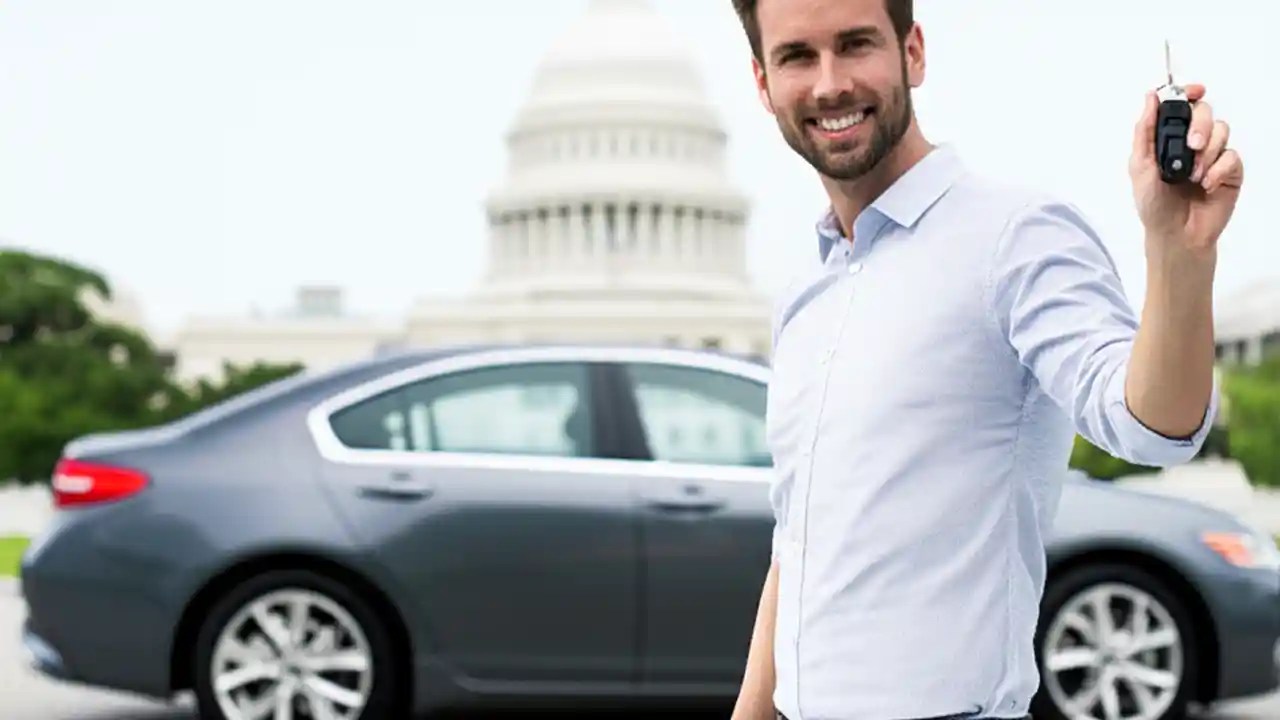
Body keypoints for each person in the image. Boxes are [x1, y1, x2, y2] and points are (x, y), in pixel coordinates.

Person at [726, 0, 1245, 719]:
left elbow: (1152, 426)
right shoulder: (804, 296)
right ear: (762, 81)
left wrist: (1179, 256)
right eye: (797, 57)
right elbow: (799, 537)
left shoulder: (1014, 238)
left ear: (913, 51)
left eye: (855, 44)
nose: (830, 83)